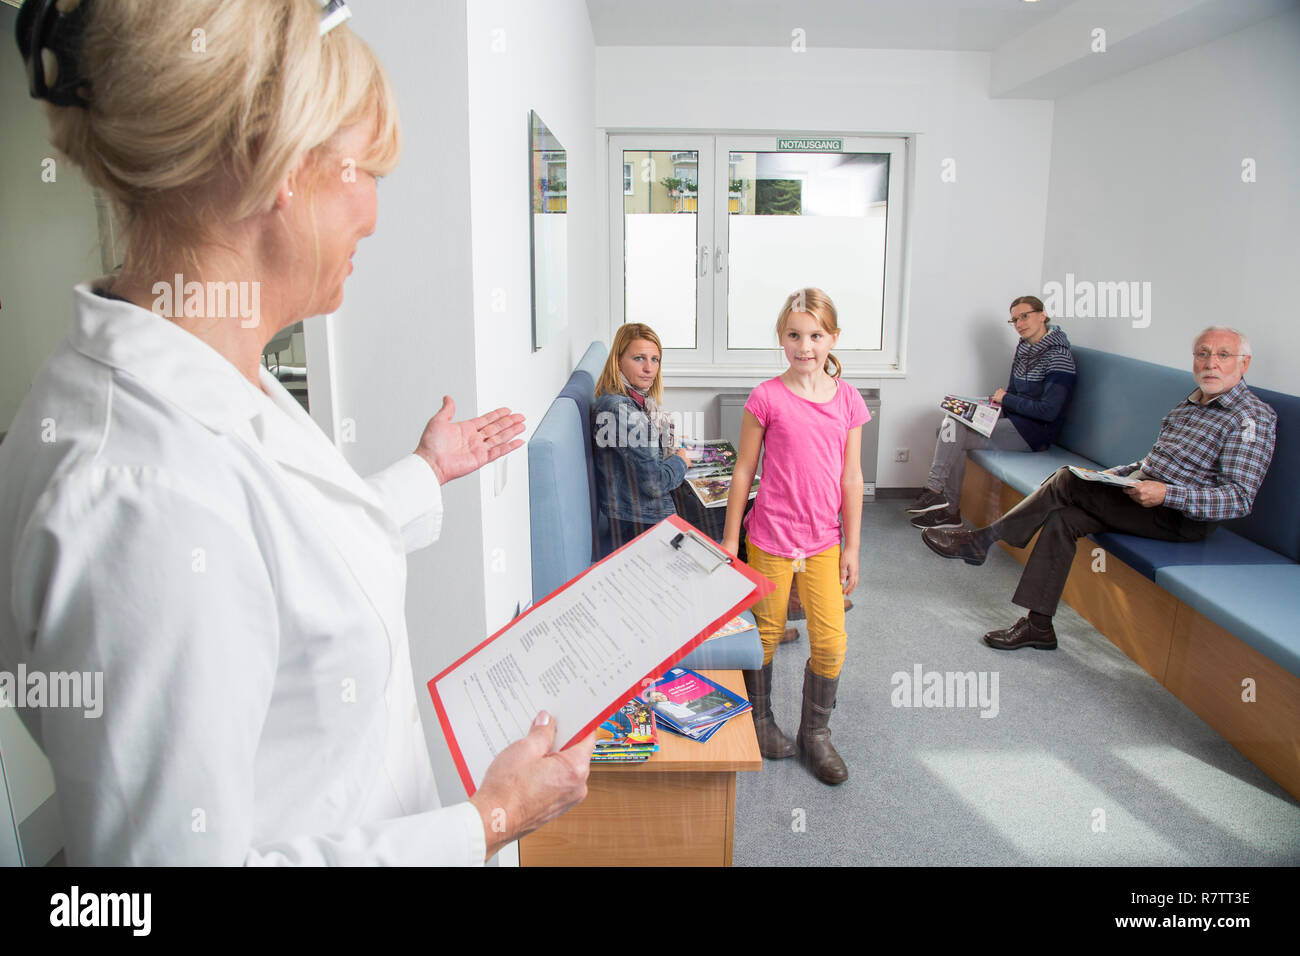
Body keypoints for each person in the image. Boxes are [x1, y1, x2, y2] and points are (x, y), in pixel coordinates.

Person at [0, 0, 593, 864]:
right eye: (366, 174)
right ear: (274, 165)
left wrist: (427, 470)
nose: (375, 216)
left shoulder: (198, 376)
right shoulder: (137, 495)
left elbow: (276, 559)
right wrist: (488, 819)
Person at [922, 327, 1276, 650]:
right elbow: (1151, 463)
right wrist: (1109, 477)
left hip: (1180, 516)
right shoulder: (1191, 404)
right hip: (1143, 497)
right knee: (1064, 517)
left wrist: (1168, 494)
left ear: (1243, 364)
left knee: (1065, 480)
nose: (1210, 363)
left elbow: (1239, 499)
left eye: (1223, 355)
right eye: (1202, 353)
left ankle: (980, 542)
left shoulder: (1250, 417)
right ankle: (1038, 626)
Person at [721, 289, 868, 785]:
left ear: (833, 339)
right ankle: (760, 721)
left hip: (823, 541)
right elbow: (743, 471)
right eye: (794, 335)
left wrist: (852, 545)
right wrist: (726, 541)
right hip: (770, 538)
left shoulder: (848, 399)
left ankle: (816, 735)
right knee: (762, 638)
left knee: (831, 642)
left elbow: (852, 479)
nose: (805, 346)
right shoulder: (766, 397)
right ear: (782, 338)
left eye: (816, 335)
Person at [908, 296, 1076, 529]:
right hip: (1013, 421)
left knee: (953, 432)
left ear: (1043, 315)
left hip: (1035, 434)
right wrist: (988, 408)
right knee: (952, 422)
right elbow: (1014, 394)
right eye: (1014, 320)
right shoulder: (1024, 348)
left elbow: (1048, 411)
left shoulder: (1059, 356)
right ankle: (946, 507)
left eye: (1025, 316)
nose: (1019, 324)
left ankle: (938, 495)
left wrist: (1006, 399)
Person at [592, 323, 691, 551]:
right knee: (743, 513)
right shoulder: (620, 410)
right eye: (639, 358)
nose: (649, 368)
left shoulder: (634, 400)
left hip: (639, 514)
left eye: (655, 359)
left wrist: (673, 448)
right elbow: (655, 483)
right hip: (641, 523)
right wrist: (681, 461)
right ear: (618, 361)